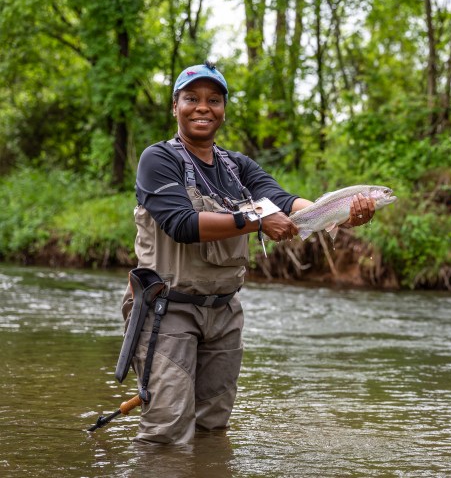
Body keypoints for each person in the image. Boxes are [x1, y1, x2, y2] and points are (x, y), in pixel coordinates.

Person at [121, 61, 376, 444]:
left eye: (214, 100)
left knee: (213, 429)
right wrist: (256, 220)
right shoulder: (158, 159)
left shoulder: (238, 166)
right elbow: (183, 224)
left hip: (224, 313)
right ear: (175, 106)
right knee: (167, 434)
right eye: (192, 98)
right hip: (167, 310)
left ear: (224, 109)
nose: (203, 107)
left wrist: (341, 214)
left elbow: (286, 203)